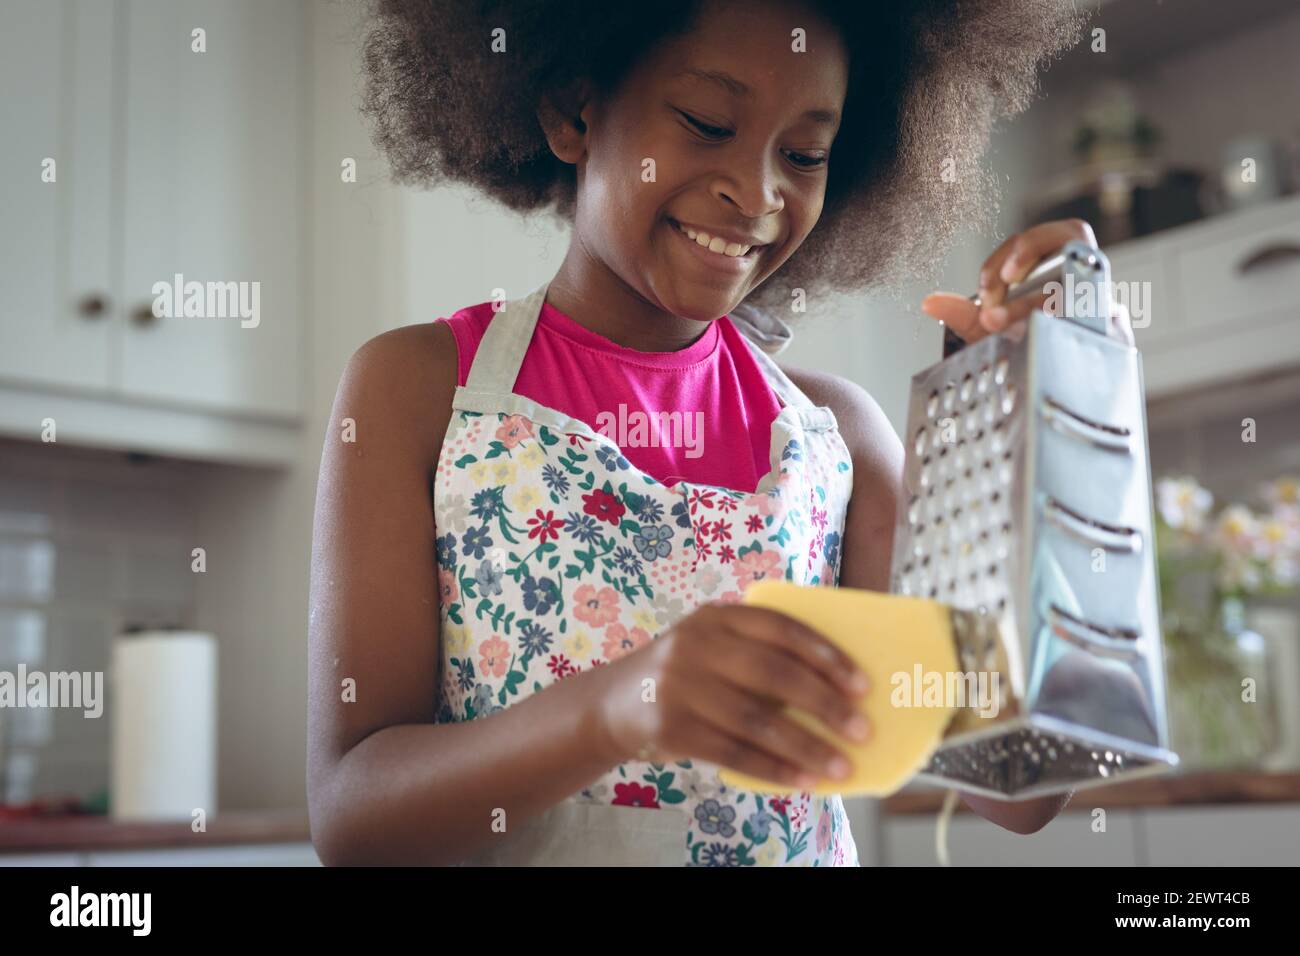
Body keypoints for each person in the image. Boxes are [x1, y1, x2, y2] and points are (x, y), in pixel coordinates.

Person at [308, 0, 1097, 866]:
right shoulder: (418, 391)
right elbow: (354, 820)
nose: (759, 192)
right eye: (708, 123)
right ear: (573, 112)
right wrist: (614, 710)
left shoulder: (838, 439)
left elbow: (1017, 787)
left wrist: (1042, 420)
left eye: (803, 154)